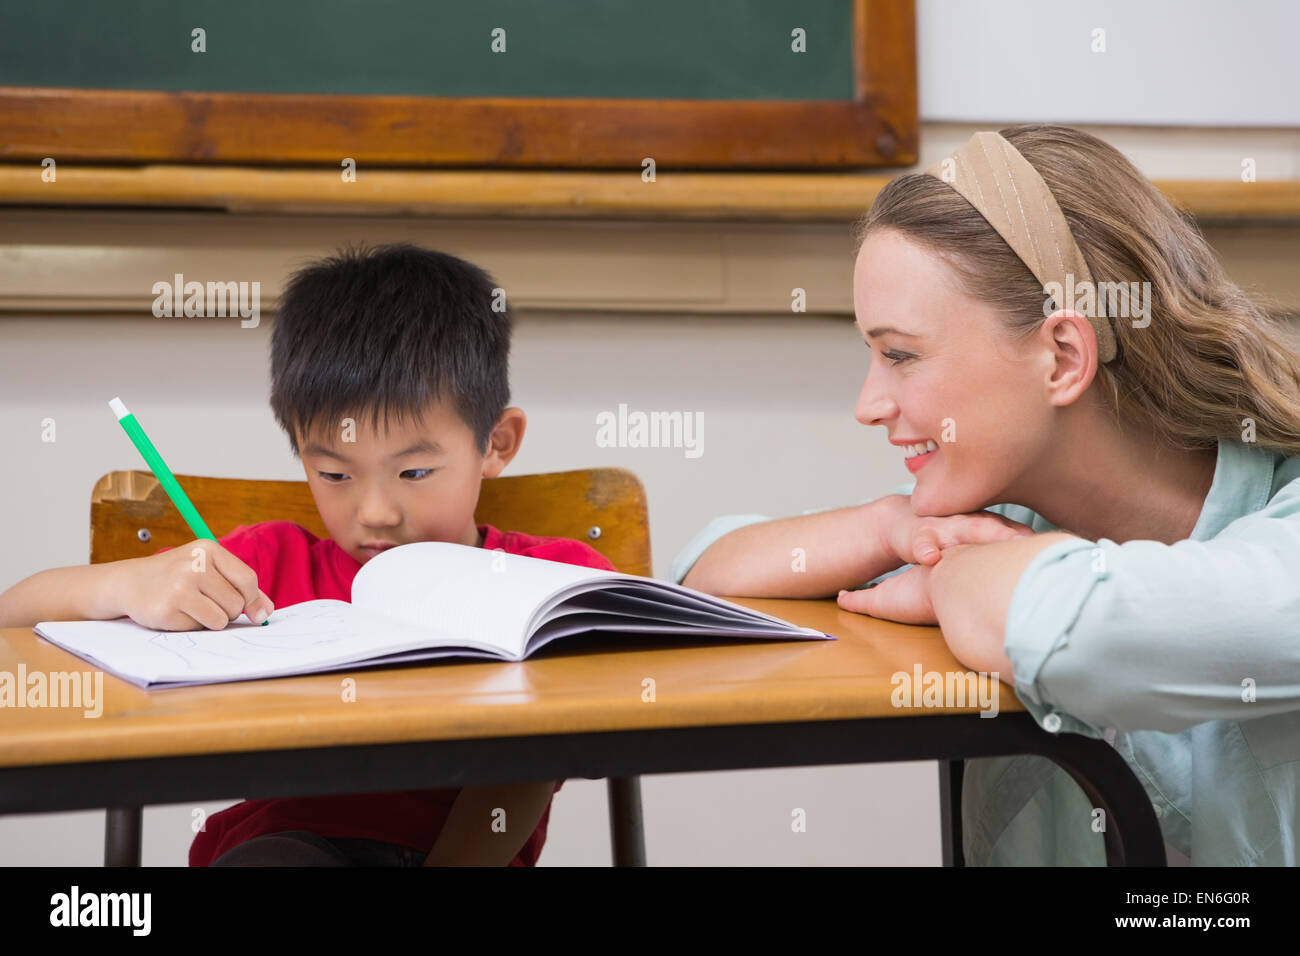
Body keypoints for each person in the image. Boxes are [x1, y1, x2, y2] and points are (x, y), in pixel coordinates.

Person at [670, 125, 1300, 866]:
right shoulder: (996, 523)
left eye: (900, 355)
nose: (869, 404)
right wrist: (891, 526)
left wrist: (948, 576)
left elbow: (1083, 630)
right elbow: (705, 573)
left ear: (1062, 357)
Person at [0, 242, 618, 866]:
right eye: (335, 474)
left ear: (496, 442)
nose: (374, 511)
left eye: (414, 472)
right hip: (287, 849)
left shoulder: (554, 584)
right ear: (300, 450)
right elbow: (11, 620)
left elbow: (568, 741)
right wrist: (124, 585)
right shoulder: (260, 568)